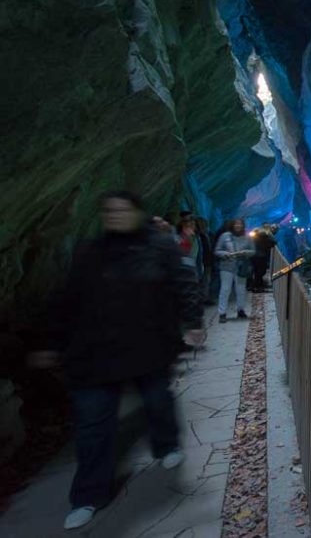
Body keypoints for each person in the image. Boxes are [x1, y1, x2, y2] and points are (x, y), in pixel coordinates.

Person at [27, 191, 205, 530]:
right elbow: (66, 301)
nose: (116, 216)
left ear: (138, 213)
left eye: (123, 210)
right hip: (95, 355)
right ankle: (88, 496)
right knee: (93, 428)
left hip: (147, 347)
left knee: (157, 401)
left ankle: (165, 444)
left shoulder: (160, 246)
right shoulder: (90, 253)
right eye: (110, 211)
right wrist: (51, 342)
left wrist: (193, 322)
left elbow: (184, 283)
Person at [215, 218, 255, 323]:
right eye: (236, 224)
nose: (238, 226)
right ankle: (222, 313)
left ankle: (240, 309)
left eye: (240, 224)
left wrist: (245, 252)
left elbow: (253, 251)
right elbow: (217, 250)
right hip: (226, 266)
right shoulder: (225, 236)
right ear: (232, 225)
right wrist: (225, 254)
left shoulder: (247, 238)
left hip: (241, 267)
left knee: (241, 290)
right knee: (225, 289)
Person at [249, 224, 278, 292]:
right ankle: (257, 286)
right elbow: (274, 242)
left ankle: (256, 286)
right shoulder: (267, 234)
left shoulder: (256, 233)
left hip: (256, 255)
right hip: (260, 255)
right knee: (260, 271)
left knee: (257, 271)